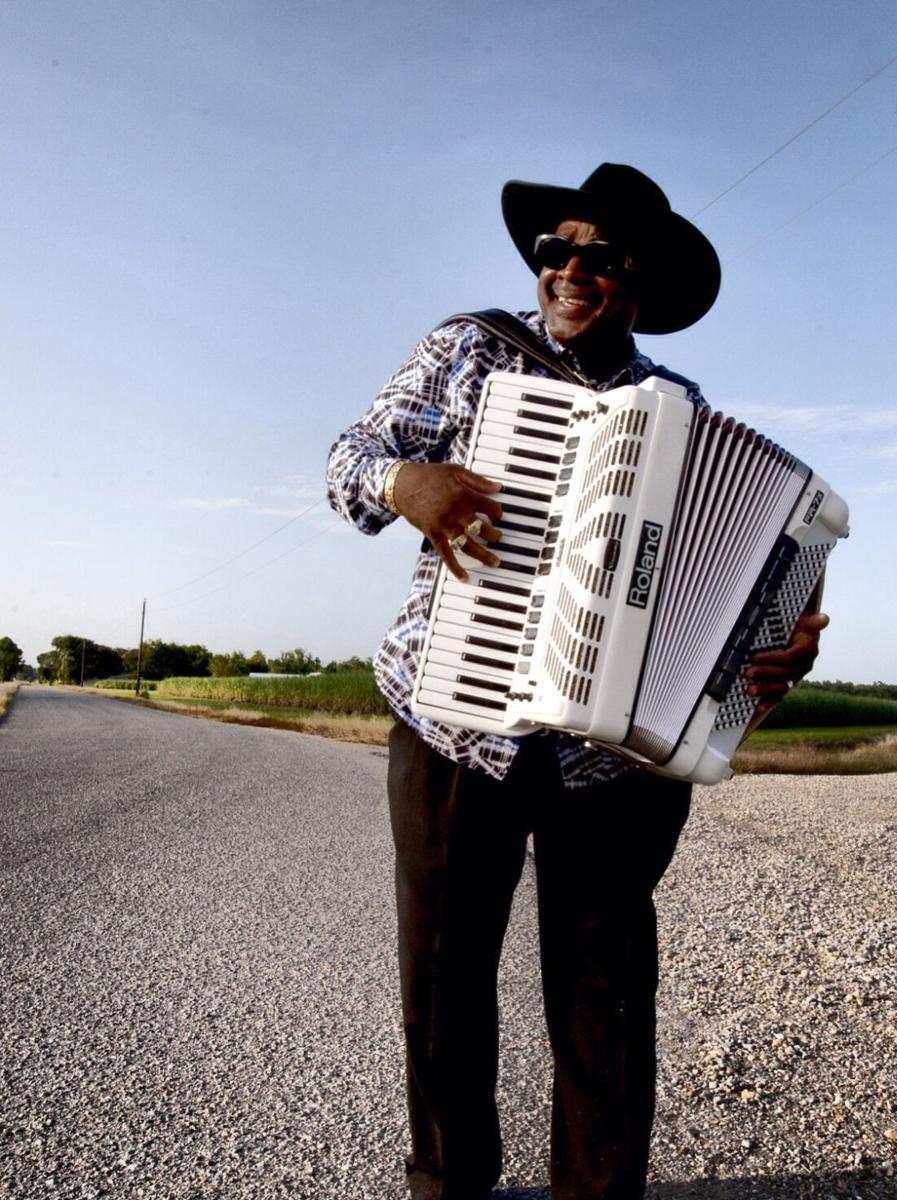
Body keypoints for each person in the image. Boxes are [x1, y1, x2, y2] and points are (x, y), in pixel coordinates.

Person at [326, 163, 828, 1200]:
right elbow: (349, 460)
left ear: (641, 285)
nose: (569, 269)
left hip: (609, 761)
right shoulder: (470, 348)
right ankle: (448, 1186)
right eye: (556, 249)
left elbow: (715, 584)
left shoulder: (678, 409)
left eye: (603, 258)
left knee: (607, 997)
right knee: (443, 982)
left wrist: (772, 651)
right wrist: (405, 481)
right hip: (456, 726)